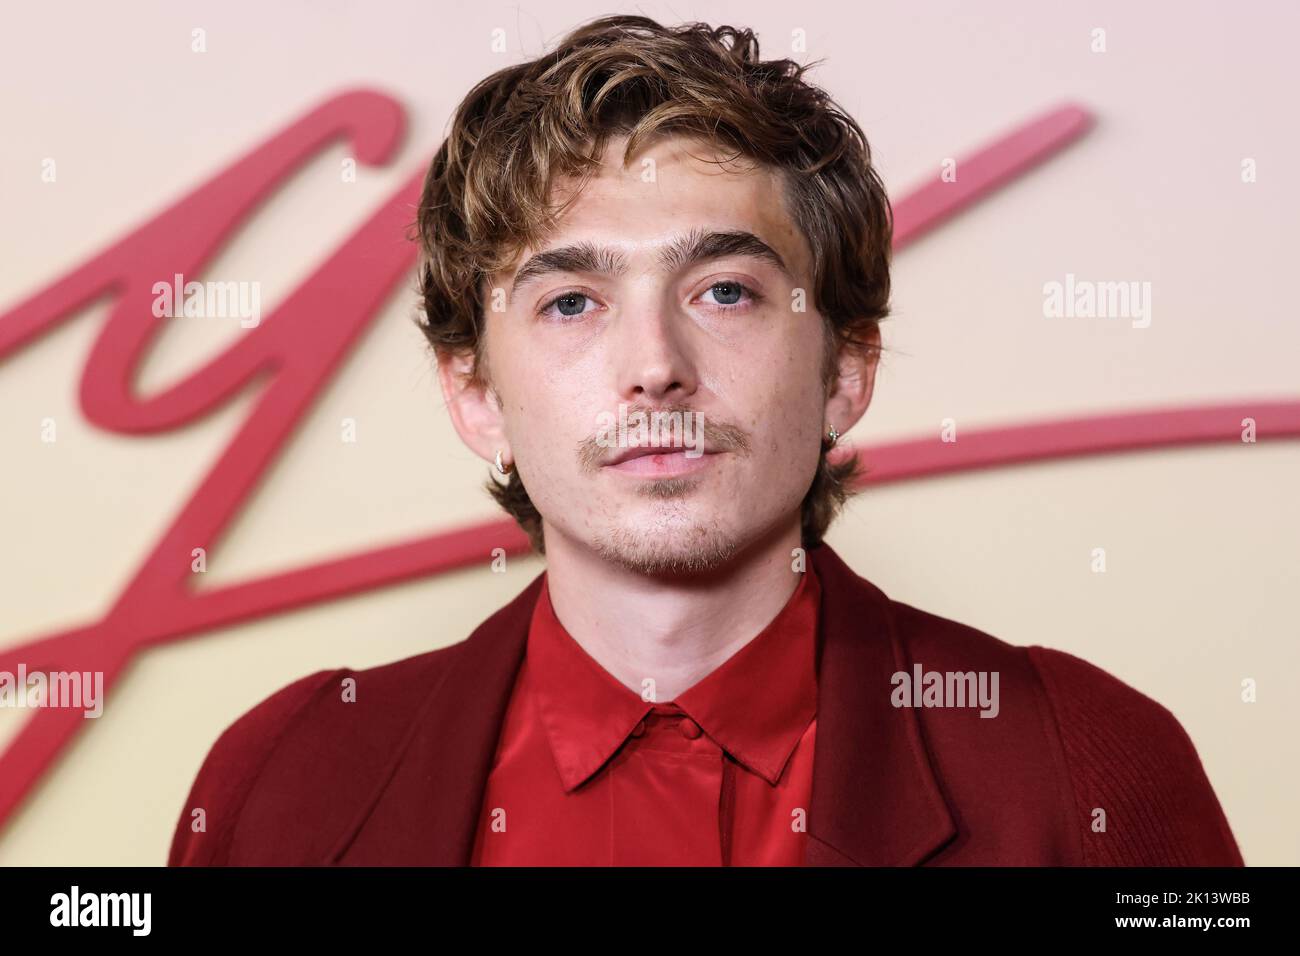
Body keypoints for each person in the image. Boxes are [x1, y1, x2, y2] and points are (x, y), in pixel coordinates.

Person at [168, 15, 1243, 867]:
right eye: (571, 302)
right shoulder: (285, 781)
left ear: (846, 367)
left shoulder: (1087, 767)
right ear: (473, 393)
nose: (654, 363)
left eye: (724, 289)